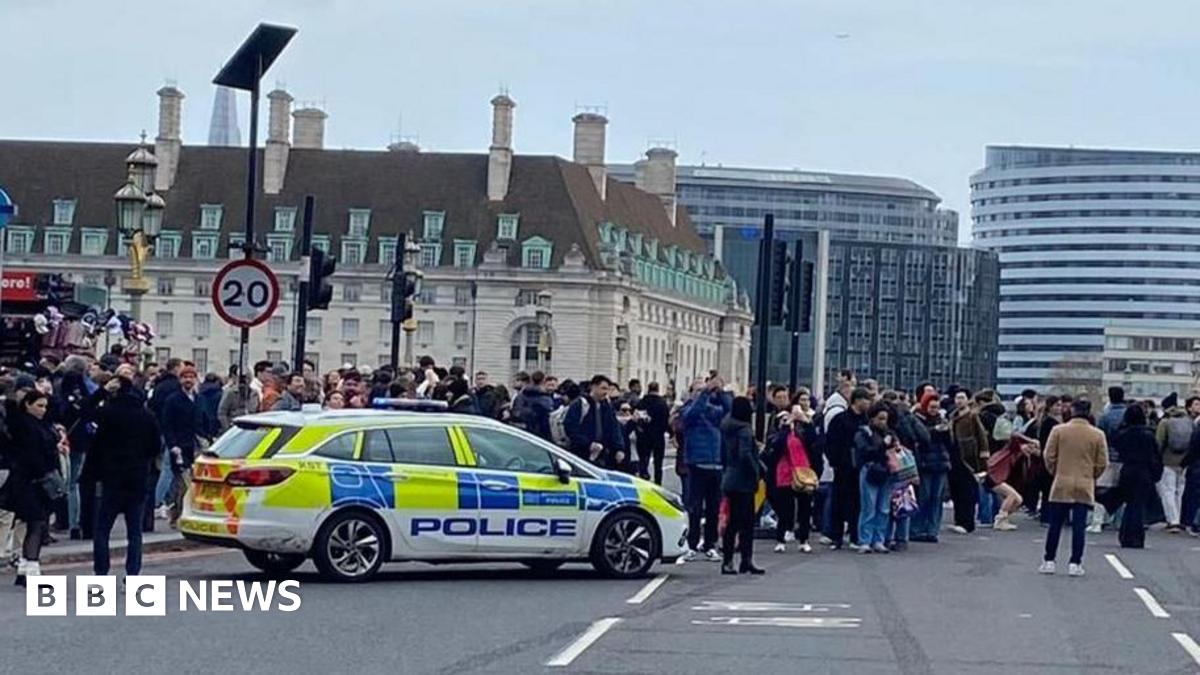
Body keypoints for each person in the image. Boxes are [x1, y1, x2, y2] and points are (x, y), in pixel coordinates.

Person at [83, 373, 161, 581]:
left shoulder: (107, 412)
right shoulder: (147, 415)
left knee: (103, 529)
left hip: (111, 477)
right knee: (134, 531)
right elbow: (155, 446)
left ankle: (101, 573)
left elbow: (84, 411)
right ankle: (133, 574)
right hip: (137, 477)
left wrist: (101, 391)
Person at [1040, 399, 1108, 577]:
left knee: (1055, 524)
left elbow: (1048, 455)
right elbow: (1102, 462)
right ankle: (1075, 562)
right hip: (1084, 483)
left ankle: (1049, 560)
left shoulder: (1059, 431)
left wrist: (1056, 471)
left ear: (1072, 411)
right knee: (1079, 525)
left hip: (1062, 480)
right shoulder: (1097, 435)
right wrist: (1092, 475)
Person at [8, 390, 60, 586]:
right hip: (30, 481)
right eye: (39, 405)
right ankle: (32, 569)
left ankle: (24, 568)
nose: (43, 410)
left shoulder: (41, 424)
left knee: (34, 523)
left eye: (44, 406)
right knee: (36, 524)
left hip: (36, 480)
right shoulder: (22, 424)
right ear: (27, 404)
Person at [679, 377, 731, 562]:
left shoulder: (714, 411)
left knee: (713, 508)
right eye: (698, 390)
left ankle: (710, 544)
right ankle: (691, 544)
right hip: (697, 462)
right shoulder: (687, 409)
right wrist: (705, 393)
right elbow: (692, 414)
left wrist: (721, 392)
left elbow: (729, 410)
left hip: (716, 463)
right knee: (694, 507)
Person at [767, 405, 823, 553]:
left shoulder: (803, 432)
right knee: (785, 509)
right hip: (785, 472)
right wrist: (786, 426)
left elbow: (814, 443)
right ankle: (781, 539)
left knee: (805, 508)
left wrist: (806, 422)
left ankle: (803, 539)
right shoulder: (780, 433)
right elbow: (777, 445)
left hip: (804, 471)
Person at [1108, 404, 1163, 548]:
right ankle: (1136, 537)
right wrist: (1156, 473)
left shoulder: (1123, 434)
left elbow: (1114, 440)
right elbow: (1155, 456)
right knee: (1138, 505)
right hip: (1144, 472)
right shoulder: (1149, 435)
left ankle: (1125, 535)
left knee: (1129, 503)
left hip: (1127, 470)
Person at [719, 396, 763, 575]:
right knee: (746, 523)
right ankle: (746, 560)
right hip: (744, 480)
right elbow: (745, 454)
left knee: (733, 523)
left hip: (730, 476)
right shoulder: (745, 429)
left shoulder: (727, 425)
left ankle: (728, 560)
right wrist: (757, 471)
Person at [826, 387, 871, 550]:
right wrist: (835, 461)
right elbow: (830, 441)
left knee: (858, 502)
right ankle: (835, 536)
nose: (868, 403)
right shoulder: (840, 419)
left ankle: (855, 535)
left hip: (861, 466)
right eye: (866, 399)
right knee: (839, 500)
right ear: (857, 400)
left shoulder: (867, 420)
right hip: (843, 465)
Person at [162, 367, 203, 529]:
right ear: (180, 379)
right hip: (179, 446)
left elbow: (203, 420)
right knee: (183, 484)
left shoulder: (198, 399)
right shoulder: (173, 399)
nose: (188, 380)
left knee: (193, 484)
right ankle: (177, 515)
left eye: (191, 376)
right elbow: (167, 424)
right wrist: (173, 445)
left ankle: (184, 515)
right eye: (185, 377)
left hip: (195, 446)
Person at [856, 402, 896, 554]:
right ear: (872, 418)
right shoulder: (863, 433)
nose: (883, 422)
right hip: (870, 469)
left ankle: (879, 539)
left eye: (885, 419)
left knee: (884, 508)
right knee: (869, 507)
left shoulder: (890, 433)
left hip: (886, 471)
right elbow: (865, 451)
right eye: (880, 418)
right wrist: (882, 446)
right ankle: (865, 540)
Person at [911, 391, 951, 542]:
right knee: (924, 497)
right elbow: (921, 437)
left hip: (940, 463)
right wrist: (935, 431)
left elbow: (949, 443)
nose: (934, 410)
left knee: (936, 498)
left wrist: (946, 432)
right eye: (931, 406)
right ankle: (917, 529)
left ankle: (932, 530)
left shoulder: (942, 420)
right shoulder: (917, 419)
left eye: (936, 407)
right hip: (925, 463)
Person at [563, 375, 625, 466]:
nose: (605, 392)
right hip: (581, 453)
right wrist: (588, 444)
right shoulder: (580, 404)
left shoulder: (607, 406)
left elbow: (614, 428)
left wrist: (619, 448)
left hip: (602, 454)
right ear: (593, 387)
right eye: (603, 388)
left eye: (607, 389)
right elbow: (570, 428)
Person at [948, 389, 988, 534]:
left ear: (968, 400)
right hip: (954, 457)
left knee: (968, 492)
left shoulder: (972, 416)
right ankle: (959, 520)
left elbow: (982, 436)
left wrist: (983, 457)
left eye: (962, 398)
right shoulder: (952, 416)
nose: (959, 401)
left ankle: (967, 522)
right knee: (957, 491)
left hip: (969, 458)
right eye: (957, 398)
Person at [1155, 396, 1192, 532]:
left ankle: (1173, 520)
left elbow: (1159, 442)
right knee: (1180, 491)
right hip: (1184, 462)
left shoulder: (1165, 422)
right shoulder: (1188, 421)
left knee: (1168, 491)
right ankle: (1180, 518)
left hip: (1168, 461)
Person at [636, 382, 670, 484]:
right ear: (658, 389)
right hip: (658, 436)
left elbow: (638, 417)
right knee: (658, 463)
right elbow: (666, 420)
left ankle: (643, 478)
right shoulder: (662, 403)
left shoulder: (642, 402)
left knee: (643, 460)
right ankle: (658, 482)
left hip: (644, 435)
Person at [511, 371, 555, 441]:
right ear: (543, 381)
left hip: (522, 433)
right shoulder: (546, 399)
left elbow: (516, 413)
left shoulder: (520, 396)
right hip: (540, 435)